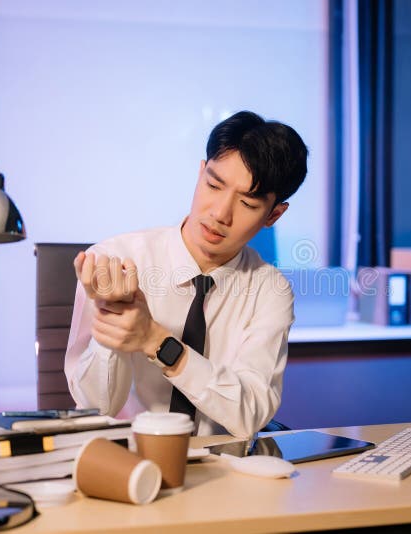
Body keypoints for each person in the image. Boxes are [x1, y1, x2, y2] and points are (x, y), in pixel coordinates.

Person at [64, 111, 308, 438]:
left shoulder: (269, 290)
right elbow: (97, 408)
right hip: (126, 463)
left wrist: (156, 340)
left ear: (274, 215)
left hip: (220, 471)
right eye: (213, 185)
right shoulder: (117, 261)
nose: (219, 213)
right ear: (200, 173)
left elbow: (251, 411)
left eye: (247, 204)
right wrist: (115, 324)